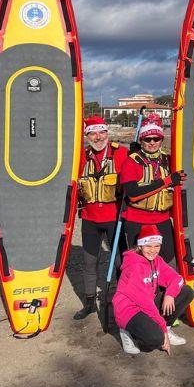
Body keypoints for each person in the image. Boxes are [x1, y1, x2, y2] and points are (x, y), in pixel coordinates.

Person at [73, 115, 130, 320]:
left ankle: (123, 299)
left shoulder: (121, 153)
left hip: (114, 219)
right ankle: (89, 303)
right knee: (89, 262)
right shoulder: (81, 157)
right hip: (89, 220)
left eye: (101, 132)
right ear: (87, 136)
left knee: (119, 262)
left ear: (107, 133)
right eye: (93, 133)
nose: (98, 137)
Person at [111, 224, 193, 355]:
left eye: (157, 246)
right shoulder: (134, 268)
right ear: (140, 246)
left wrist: (169, 295)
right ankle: (126, 330)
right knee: (156, 340)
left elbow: (177, 279)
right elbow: (145, 303)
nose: (153, 250)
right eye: (148, 246)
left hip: (147, 302)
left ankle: (166, 327)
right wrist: (162, 330)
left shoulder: (157, 261)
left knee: (186, 291)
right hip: (129, 309)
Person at [119, 116, 184, 265]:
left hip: (163, 220)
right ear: (141, 140)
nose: (152, 142)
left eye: (156, 138)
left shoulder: (168, 160)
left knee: (169, 262)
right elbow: (133, 194)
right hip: (137, 221)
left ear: (161, 139)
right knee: (141, 264)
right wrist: (166, 181)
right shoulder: (131, 162)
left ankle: (166, 288)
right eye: (148, 139)